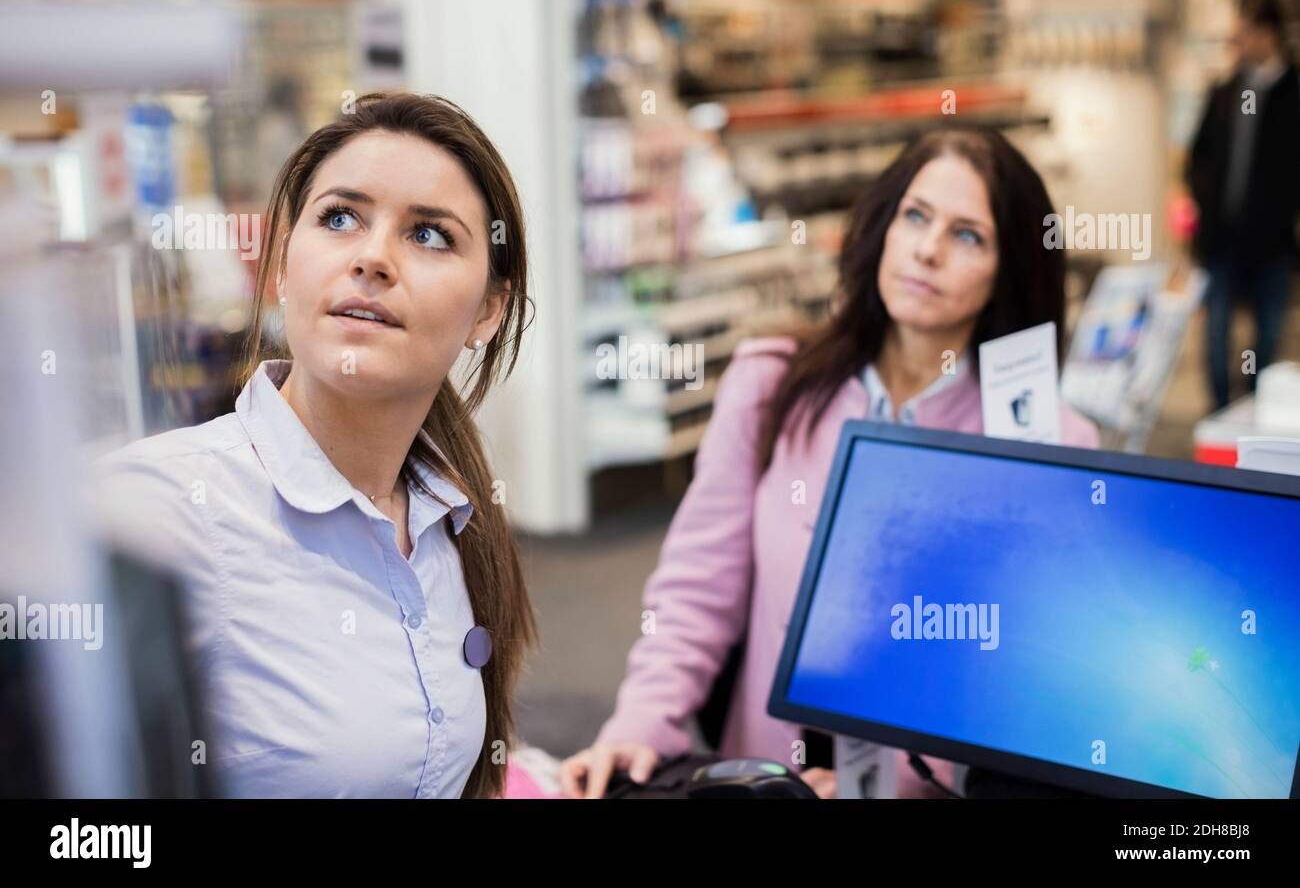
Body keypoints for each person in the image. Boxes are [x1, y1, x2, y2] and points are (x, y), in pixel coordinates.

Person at [561, 128, 1100, 799]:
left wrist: (894, 784)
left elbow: (1026, 678)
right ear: (883, 227)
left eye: (969, 236)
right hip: (767, 783)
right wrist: (641, 722)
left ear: (1007, 270)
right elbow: (698, 588)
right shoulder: (772, 385)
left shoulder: (1048, 443)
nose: (928, 250)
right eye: (916, 216)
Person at [95, 92, 536, 798]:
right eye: (338, 218)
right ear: (279, 269)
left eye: (429, 235)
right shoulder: (152, 510)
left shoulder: (450, 517)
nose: (372, 256)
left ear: (488, 310)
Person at [1187, 0, 1299, 410]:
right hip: (1222, 240)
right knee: (1215, 336)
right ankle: (1220, 414)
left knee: (1266, 338)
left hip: (1271, 244)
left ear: (1268, 33)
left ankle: (1255, 414)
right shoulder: (1225, 92)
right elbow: (1198, 155)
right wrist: (1205, 201)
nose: (1237, 42)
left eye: (1245, 32)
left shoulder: (1293, 95)